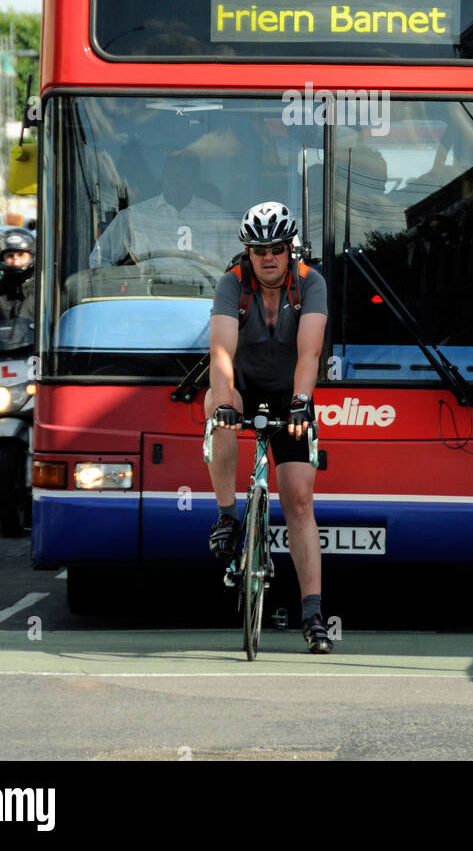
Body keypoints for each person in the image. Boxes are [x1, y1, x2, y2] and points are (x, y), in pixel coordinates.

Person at [205, 201, 332, 655]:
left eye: (277, 248)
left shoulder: (310, 283)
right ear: (248, 253)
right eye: (259, 250)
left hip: (289, 394)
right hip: (242, 386)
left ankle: (314, 615)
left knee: (299, 500)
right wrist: (224, 404)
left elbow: (309, 354)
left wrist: (301, 403)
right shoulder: (232, 285)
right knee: (218, 412)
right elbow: (220, 355)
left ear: (290, 249)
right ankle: (226, 516)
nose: (269, 258)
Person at [89, 150, 235, 275]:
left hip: (206, 301)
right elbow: (100, 257)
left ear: (195, 179)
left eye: (184, 173)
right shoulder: (133, 217)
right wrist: (115, 288)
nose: (175, 179)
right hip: (145, 298)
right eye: (171, 172)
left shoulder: (219, 220)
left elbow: (238, 265)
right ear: (163, 176)